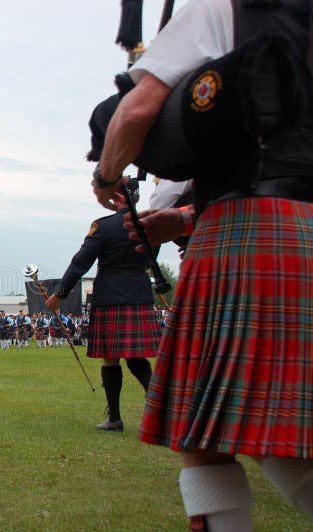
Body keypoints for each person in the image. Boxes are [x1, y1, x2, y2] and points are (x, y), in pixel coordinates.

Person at [92, 0, 313, 527]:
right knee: (283, 428)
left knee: (206, 432)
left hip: (250, 236)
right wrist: (188, 218)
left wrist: (105, 176)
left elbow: (137, 110)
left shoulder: (220, 9)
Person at [47, 182, 160, 432]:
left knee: (111, 359)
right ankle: (162, 411)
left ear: (117, 195)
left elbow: (80, 262)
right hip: (140, 292)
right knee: (136, 358)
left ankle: (116, 418)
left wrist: (59, 293)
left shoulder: (104, 225)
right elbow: (153, 257)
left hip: (111, 295)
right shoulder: (151, 223)